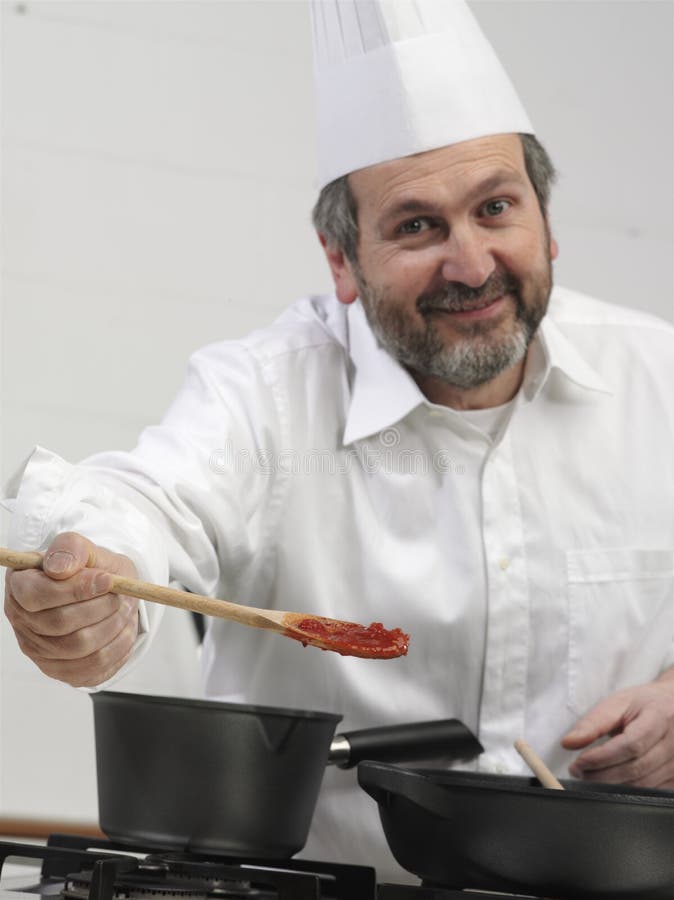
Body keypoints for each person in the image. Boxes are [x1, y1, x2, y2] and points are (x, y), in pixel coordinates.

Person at [3, 0, 673, 881]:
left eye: (496, 208)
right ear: (340, 260)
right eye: (416, 226)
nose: (470, 264)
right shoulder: (265, 393)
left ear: (546, 225)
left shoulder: (658, 381)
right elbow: (144, 504)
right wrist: (87, 590)